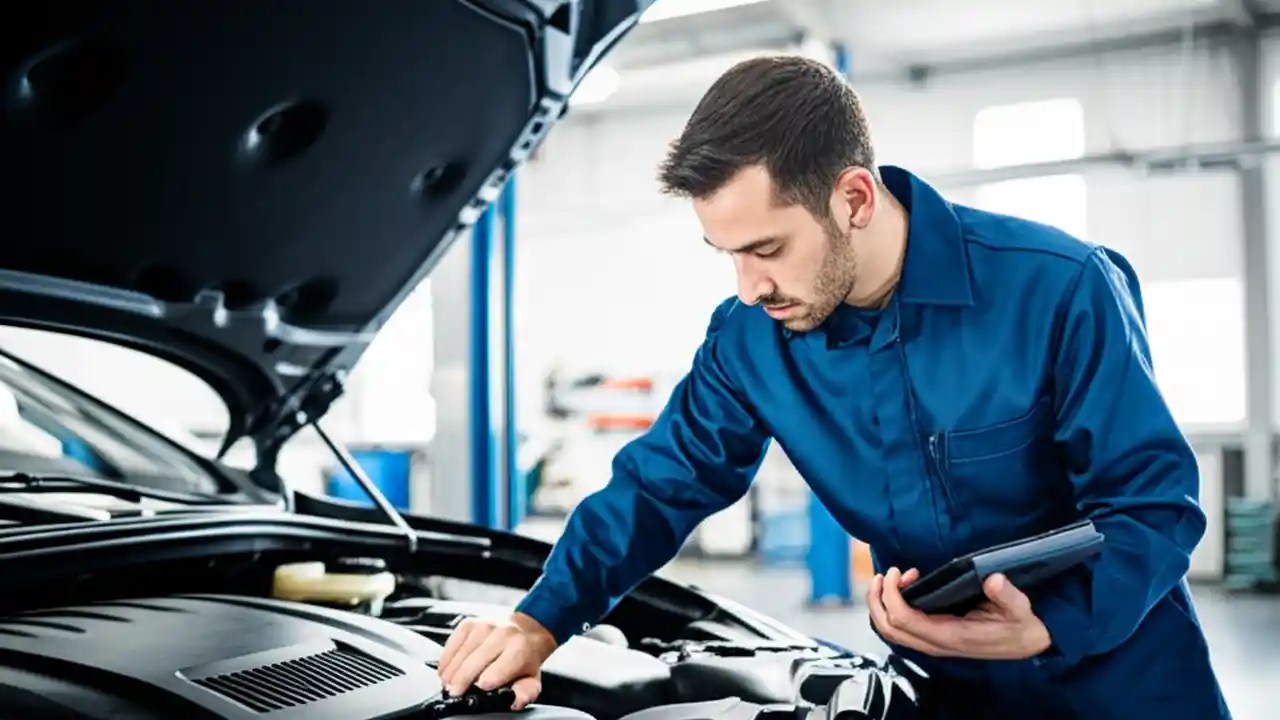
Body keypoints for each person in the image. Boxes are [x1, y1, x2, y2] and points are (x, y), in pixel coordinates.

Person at [436, 55, 1231, 719]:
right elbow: (656, 487)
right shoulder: (750, 341)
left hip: (1125, 682)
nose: (750, 286)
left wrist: (1047, 626)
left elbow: (1153, 506)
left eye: (768, 247)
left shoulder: (1059, 289)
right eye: (727, 254)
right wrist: (541, 621)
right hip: (943, 691)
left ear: (853, 197)